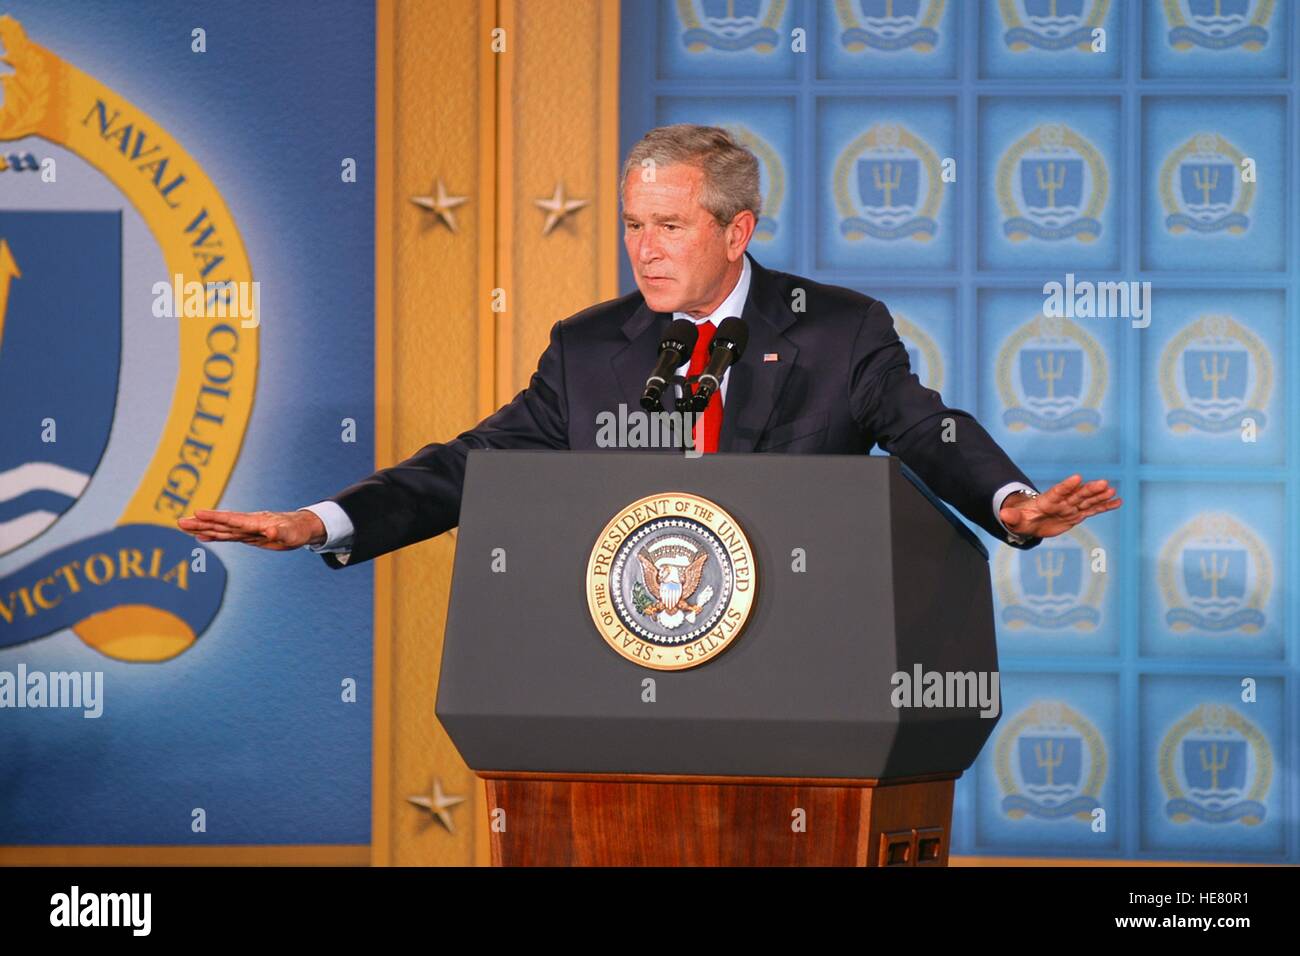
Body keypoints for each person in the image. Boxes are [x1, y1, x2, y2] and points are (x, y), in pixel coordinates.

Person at [178, 124, 1121, 567]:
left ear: (738, 230)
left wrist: (1010, 502)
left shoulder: (838, 330)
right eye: (634, 225)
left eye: (671, 226)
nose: (644, 249)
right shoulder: (593, 347)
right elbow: (472, 466)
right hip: (623, 660)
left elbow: (926, 429)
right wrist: (319, 521)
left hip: (800, 664)